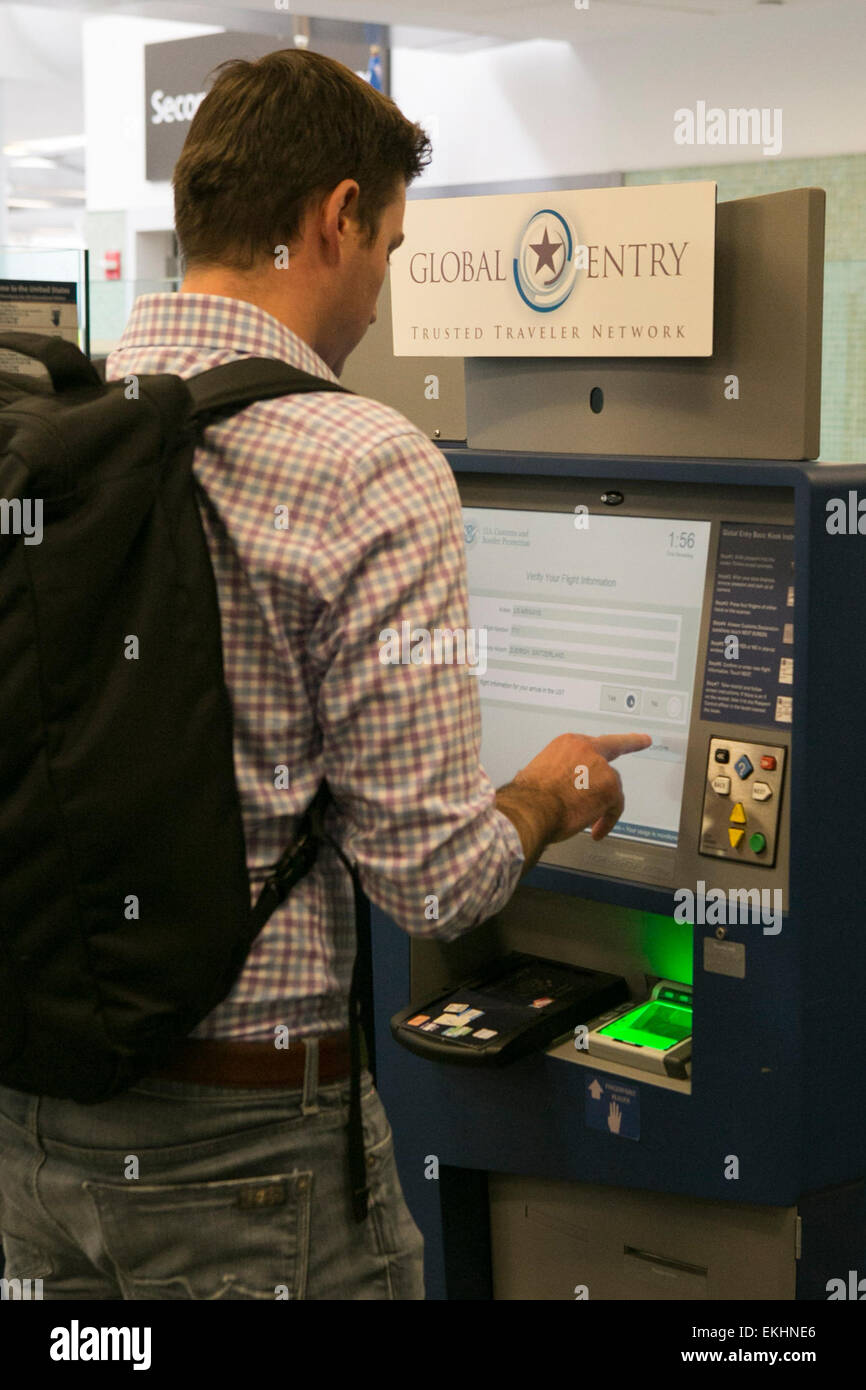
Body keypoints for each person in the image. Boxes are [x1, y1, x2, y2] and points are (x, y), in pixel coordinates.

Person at [0, 48, 649, 1301]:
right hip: (247, 1163)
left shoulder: (50, 433)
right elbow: (434, 881)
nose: (380, 301)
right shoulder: (363, 457)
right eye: (392, 252)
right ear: (335, 217)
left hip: (33, 1131)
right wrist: (548, 795)